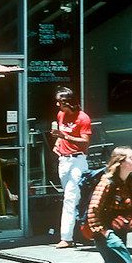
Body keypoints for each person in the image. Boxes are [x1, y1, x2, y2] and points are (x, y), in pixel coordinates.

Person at [50, 86, 92, 248]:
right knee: (73, 198)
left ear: (68, 102)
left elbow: (85, 141)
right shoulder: (61, 115)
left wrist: (64, 136)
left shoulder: (83, 118)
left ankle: (66, 237)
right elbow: (61, 136)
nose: (57, 105)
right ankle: (81, 231)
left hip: (77, 161)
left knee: (70, 197)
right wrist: (58, 142)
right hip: (64, 160)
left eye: (60, 101)